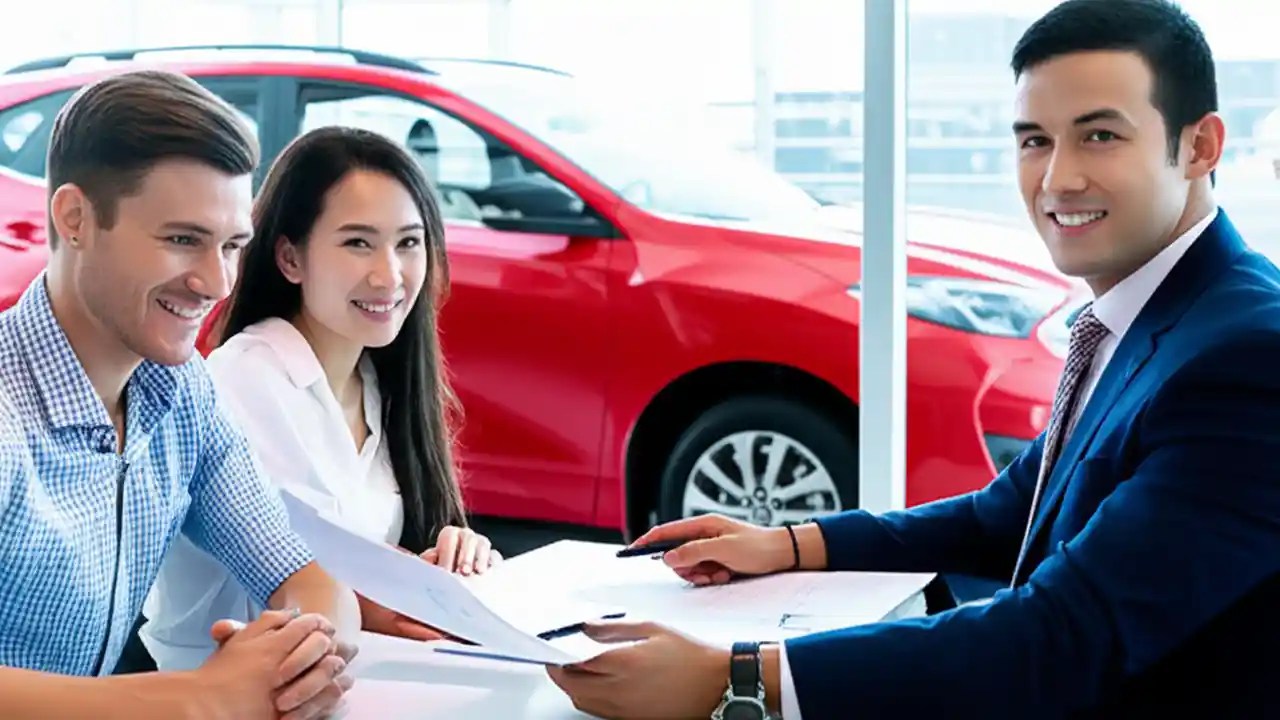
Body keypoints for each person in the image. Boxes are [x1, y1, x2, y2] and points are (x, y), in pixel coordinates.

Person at [547, 1, 1280, 717]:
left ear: (1201, 146)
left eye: (1099, 137)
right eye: (1033, 141)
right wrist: (790, 545)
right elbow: (1010, 514)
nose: (1058, 179)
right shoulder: (1150, 310)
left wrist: (733, 677)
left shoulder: (1246, 355)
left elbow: (1066, 636)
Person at [0, 69, 363, 718]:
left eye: (231, 245)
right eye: (182, 240)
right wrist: (197, 698)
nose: (216, 281)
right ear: (75, 218)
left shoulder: (179, 388)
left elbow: (304, 577)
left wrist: (303, 662)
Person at [142, 125, 499, 670]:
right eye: (358, 243)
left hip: (350, 675)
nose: (389, 275)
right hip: (222, 686)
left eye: (408, 242)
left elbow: (381, 584)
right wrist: (421, 588)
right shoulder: (246, 377)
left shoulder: (380, 386)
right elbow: (302, 571)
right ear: (290, 258)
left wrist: (459, 554)